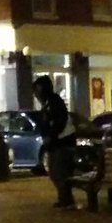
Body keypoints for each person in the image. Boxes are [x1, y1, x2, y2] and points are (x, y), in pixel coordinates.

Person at [32, 75, 76, 208]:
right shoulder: (48, 103)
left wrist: (51, 135)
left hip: (62, 142)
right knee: (56, 172)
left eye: (37, 91)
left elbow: (59, 122)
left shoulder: (54, 102)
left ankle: (67, 200)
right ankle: (64, 199)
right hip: (58, 143)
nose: (36, 95)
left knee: (59, 172)